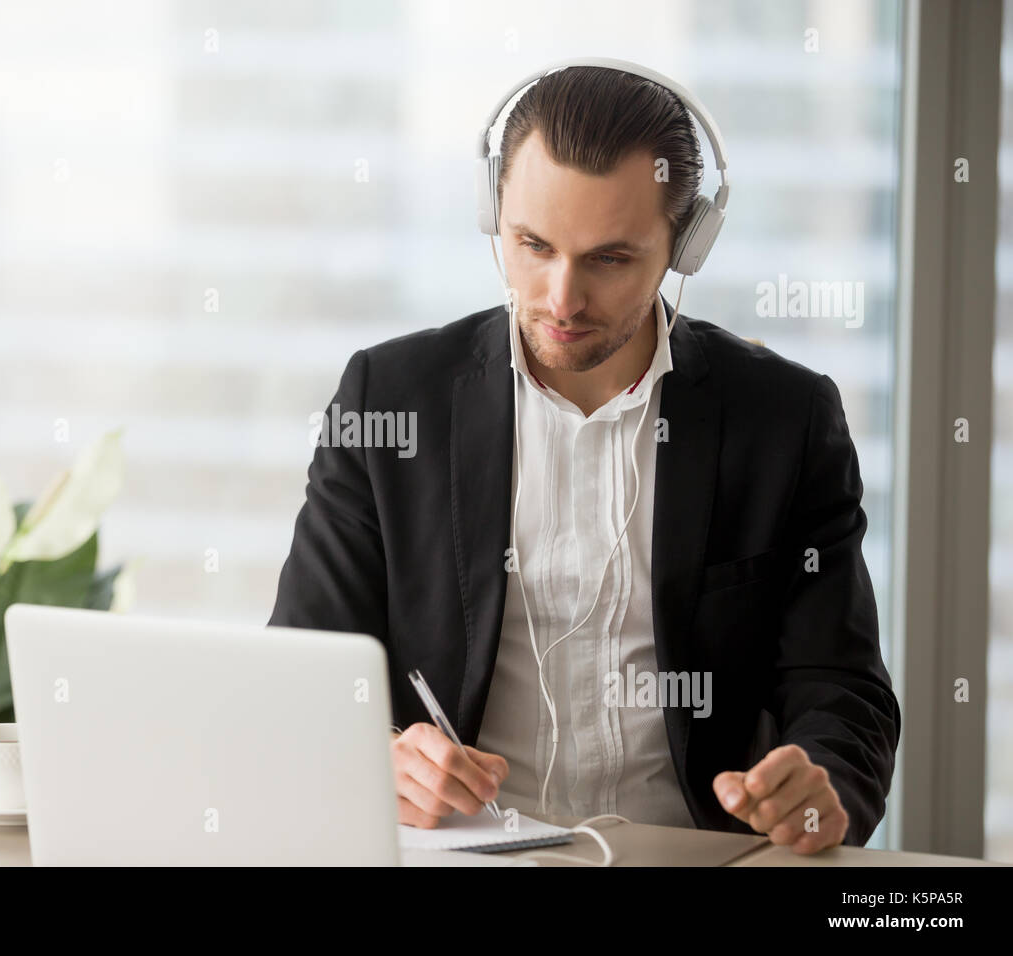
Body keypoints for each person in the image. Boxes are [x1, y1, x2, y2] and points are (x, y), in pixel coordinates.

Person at [269, 64, 900, 854]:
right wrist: (376, 757)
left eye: (608, 259)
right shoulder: (389, 398)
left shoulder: (784, 420)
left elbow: (842, 690)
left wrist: (820, 786)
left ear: (687, 246)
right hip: (457, 851)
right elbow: (299, 676)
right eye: (532, 245)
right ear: (492, 213)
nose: (561, 299)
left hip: (692, 853)